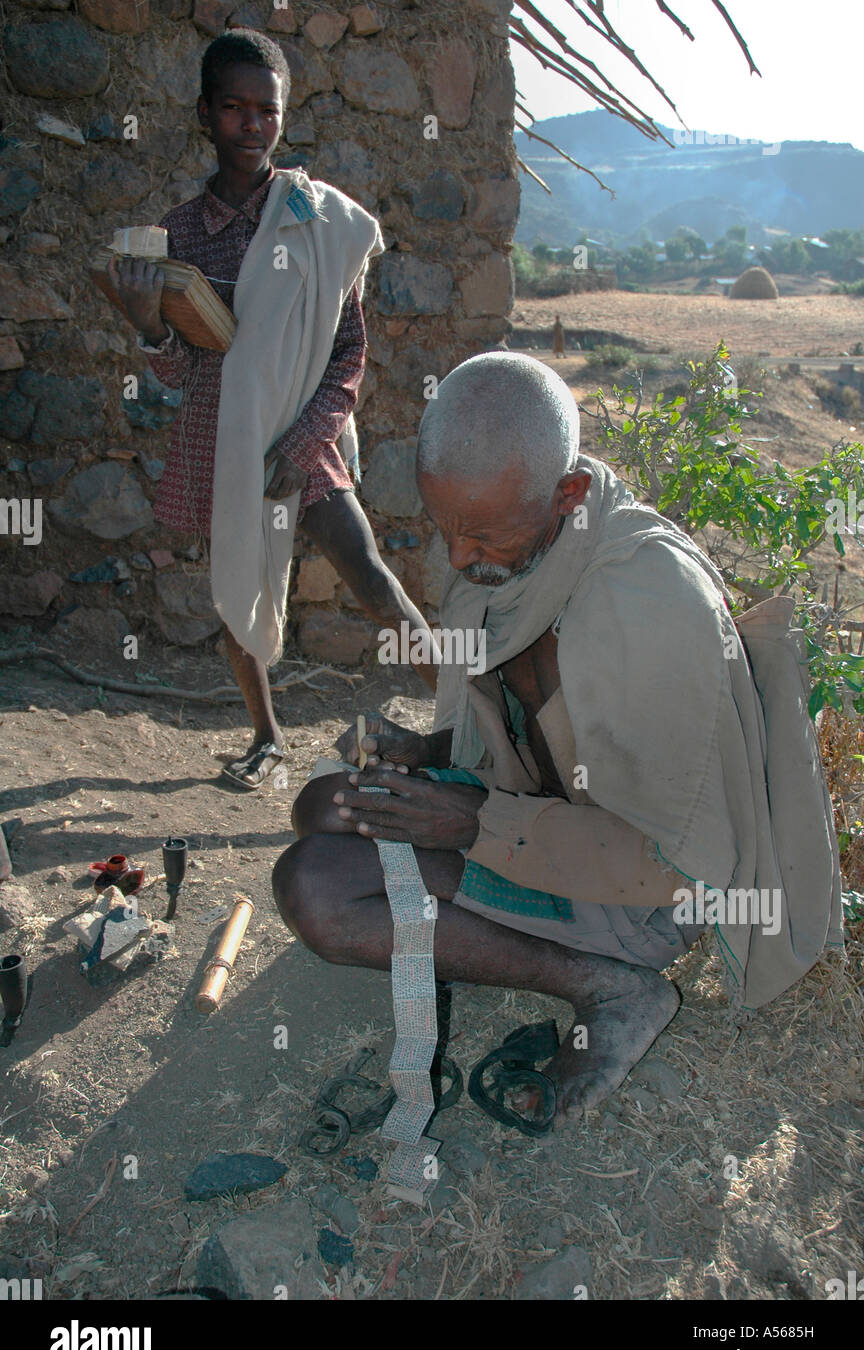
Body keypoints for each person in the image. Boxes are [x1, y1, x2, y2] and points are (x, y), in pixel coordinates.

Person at [271, 351, 842, 1126]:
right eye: (447, 531)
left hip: (636, 896)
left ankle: (606, 987)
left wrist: (469, 825)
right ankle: (457, 906)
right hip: (526, 820)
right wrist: (428, 753)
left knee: (318, 888)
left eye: (481, 538)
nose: (462, 559)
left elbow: (670, 859)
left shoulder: (648, 603)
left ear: (568, 494)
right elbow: (520, 733)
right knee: (324, 806)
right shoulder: (510, 538)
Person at [108, 29, 438, 791]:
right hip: (222, 433)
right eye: (234, 108)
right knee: (237, 588)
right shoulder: (180, 233)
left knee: (372, 578)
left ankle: (469, 718)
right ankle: (267, 739)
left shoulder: (318, 221)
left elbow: (349, 357)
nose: (252, 125)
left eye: (268, 110)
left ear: (283, 118)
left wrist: (303, 443)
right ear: (204, 114)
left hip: (304, 434)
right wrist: (148, 324)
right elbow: (179, 370)